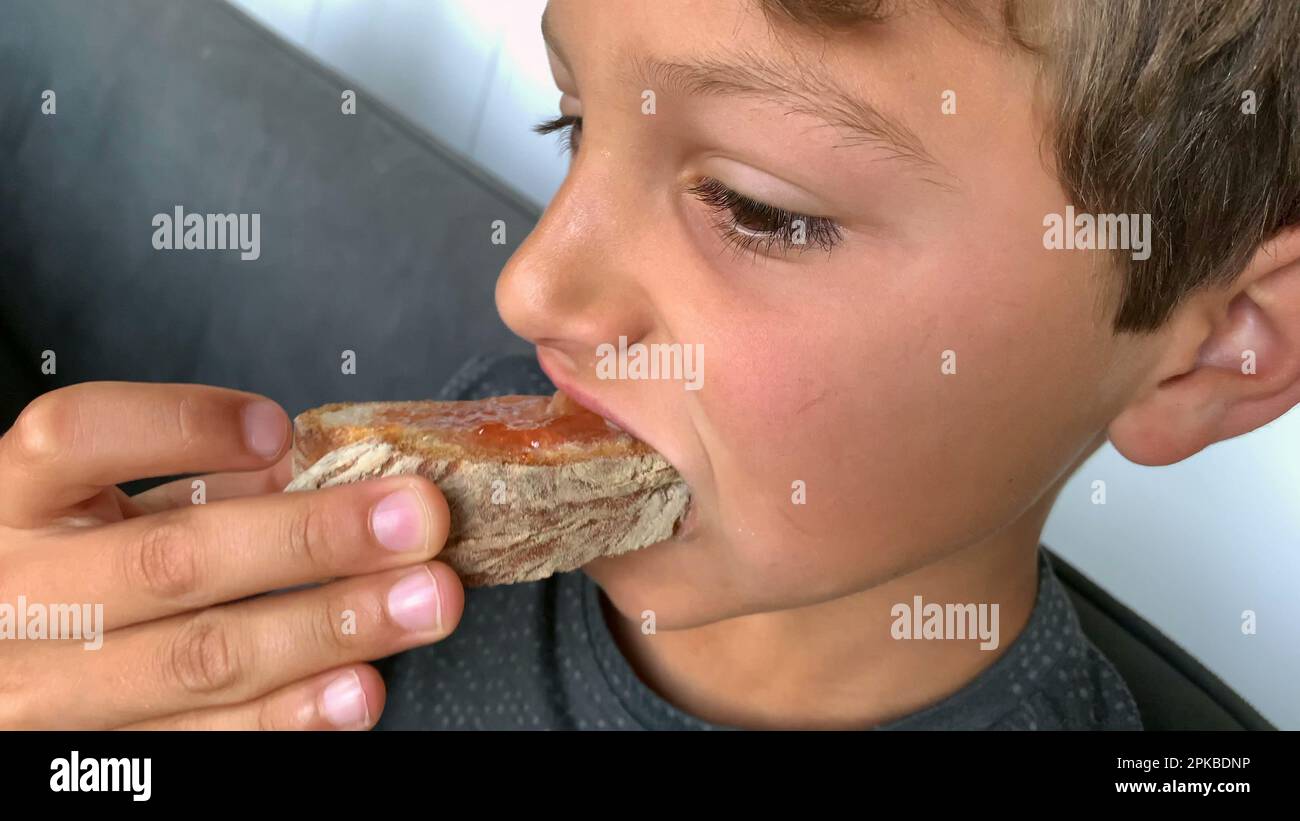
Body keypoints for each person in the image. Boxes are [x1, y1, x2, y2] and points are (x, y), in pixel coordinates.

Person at [1, 0, 1297, 729]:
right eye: (570, 119)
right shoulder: (394, 524)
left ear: (1220, 350)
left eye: (756, 204)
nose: (531, 286)